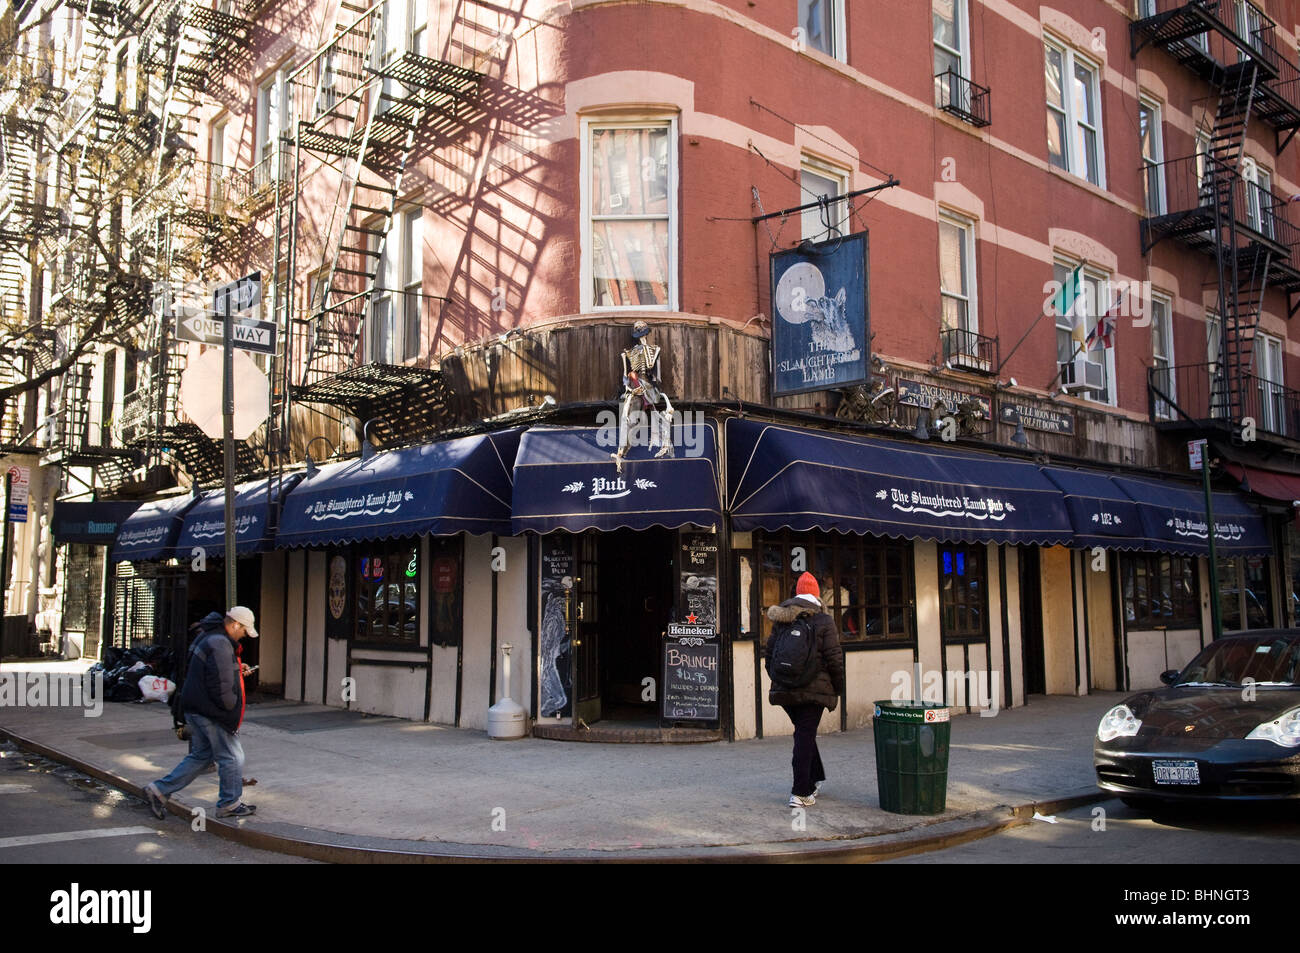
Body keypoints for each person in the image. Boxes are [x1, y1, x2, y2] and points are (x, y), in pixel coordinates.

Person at [145, 606, 259, 820]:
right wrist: (229, 714)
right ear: (235, 624)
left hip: (196, 707)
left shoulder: (208, 636)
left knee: (200, 756)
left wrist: (236, 668)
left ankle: (158, 791)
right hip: (211, 712)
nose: (244, 635)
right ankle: (229, 803)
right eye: (244, 630)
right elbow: (222, 686)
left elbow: (213, 672)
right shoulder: (220, 644)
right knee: (232, 756)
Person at [764, 573, 845, 808]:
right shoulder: (824, 621)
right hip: (815, 690)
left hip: (786, 689)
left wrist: (780, 679)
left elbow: (769, 656)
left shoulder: (782, 618)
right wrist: (837, 687)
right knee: (804, 736)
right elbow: (834, 658)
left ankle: (815, 778)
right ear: (817, 594)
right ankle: (800, 792)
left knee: (804, 732)